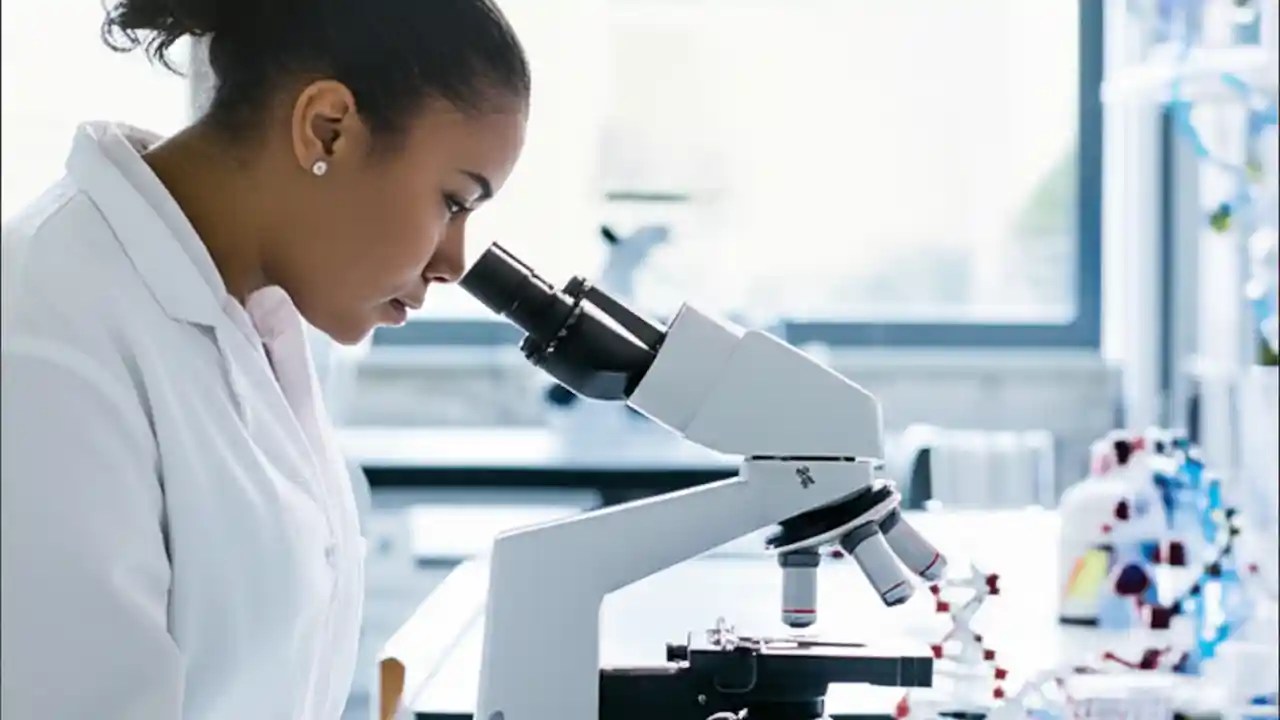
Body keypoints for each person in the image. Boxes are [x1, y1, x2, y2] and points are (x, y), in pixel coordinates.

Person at [0, 0, 529, 717]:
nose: (453, 262)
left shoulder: (249, 315)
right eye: (453, 201)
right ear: (327, 129)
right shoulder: (47, 329)